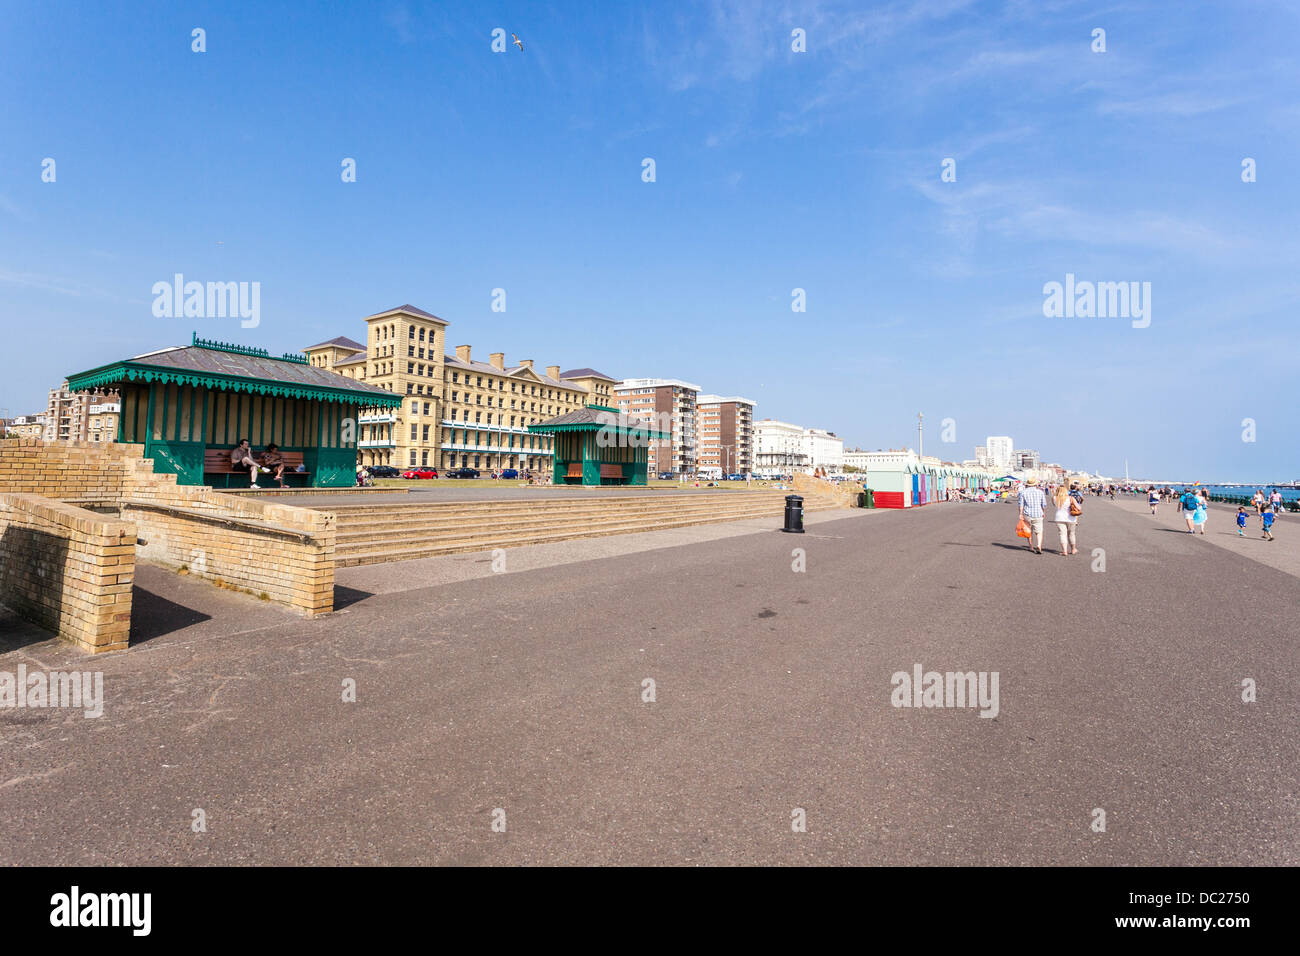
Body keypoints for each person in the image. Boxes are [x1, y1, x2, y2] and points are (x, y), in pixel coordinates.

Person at [1018, 476, 1047, 554]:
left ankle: (1031, 546)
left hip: (1027, 514)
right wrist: (1043, 512)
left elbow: (1021, 505)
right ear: (1035, 484)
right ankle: (1039, 545)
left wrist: (1020, 514)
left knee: (1028, 530)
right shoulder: (1040, 492)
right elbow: (1043, 504)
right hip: (1038, 514)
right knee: (1039, 532)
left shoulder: (1023, 492)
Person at [1051, 485, 1079, 555]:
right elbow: (1079, 508)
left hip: (1059, 518)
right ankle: (1073, 549)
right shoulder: (1070, 498)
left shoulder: (1054, 498)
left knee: (1062, 534)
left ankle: (1065, 551)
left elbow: (1054, 505)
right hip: (1071, 518)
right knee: (1071, 534)